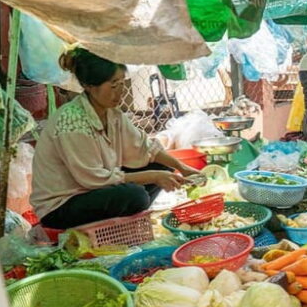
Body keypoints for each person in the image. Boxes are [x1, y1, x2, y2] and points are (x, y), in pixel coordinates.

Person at [31, 48, 199, 229]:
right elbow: (93, 179)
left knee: (163, 165)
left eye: (121, 83)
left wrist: (182, 168)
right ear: (89, 86)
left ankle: (121, 222)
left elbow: (146, 148)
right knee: (136, 195)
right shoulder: (72, 121)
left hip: (93, 191)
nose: (119, 91)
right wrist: (154, 176)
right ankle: (118, 222)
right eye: (113, 85)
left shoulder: (113, 115)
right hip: (61, 206)